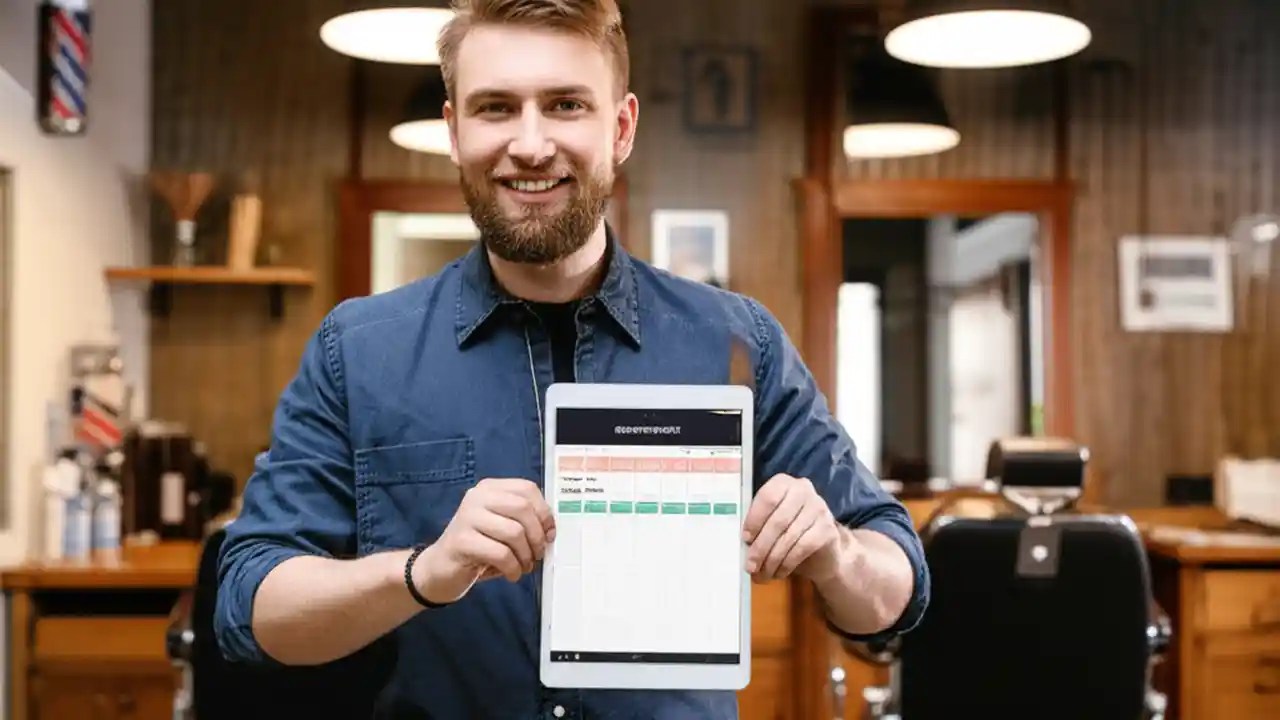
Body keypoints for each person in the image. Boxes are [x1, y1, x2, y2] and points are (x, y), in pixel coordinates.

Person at [214, 0, 930, 717]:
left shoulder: (739, 342)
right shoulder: (357, 351)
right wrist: (424, 571)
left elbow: (896, 590)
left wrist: (834, 550)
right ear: (454, 131)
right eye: (496, 107)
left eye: (565, 105)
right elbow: (250, 606)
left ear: (620, 128)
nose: (530, 145)